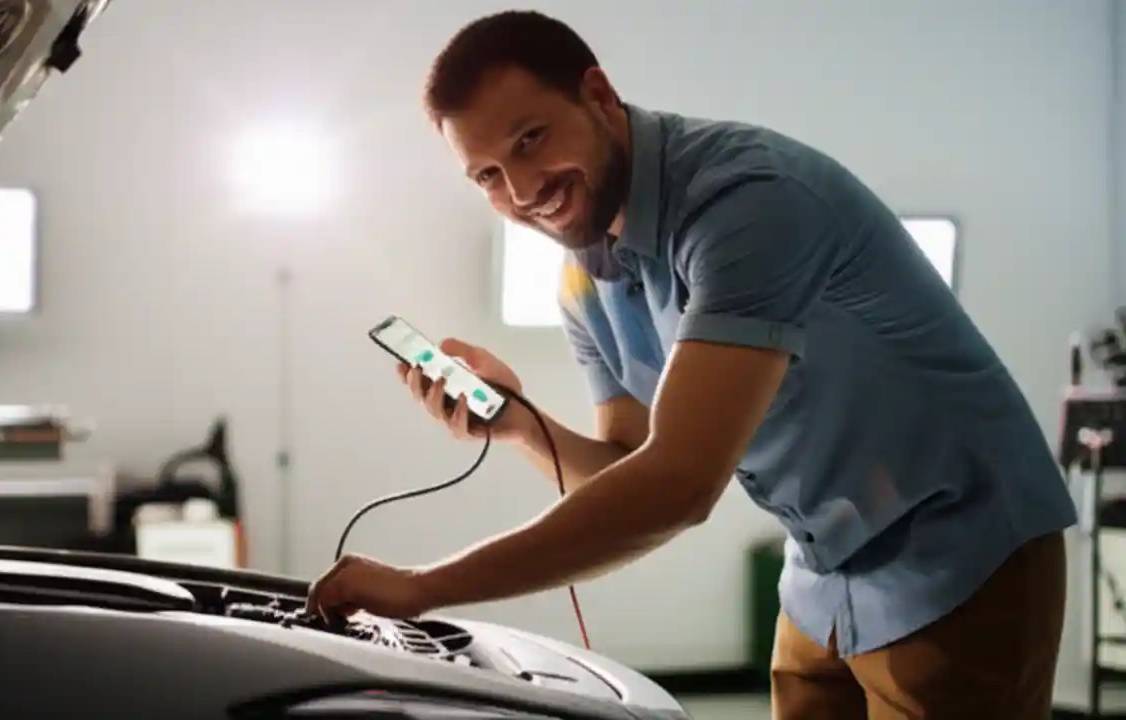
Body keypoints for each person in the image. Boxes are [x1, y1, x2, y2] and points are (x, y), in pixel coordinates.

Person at [306, 10, 1075, 719]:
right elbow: (626, 466)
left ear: (598, 95)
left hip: (960, 556)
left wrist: (424, 588)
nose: (523, 191)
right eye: (488, 176)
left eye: (531, 140)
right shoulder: (583, 271)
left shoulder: (745, 199)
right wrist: (515, 424)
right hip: (821, 575)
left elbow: (678, 486)